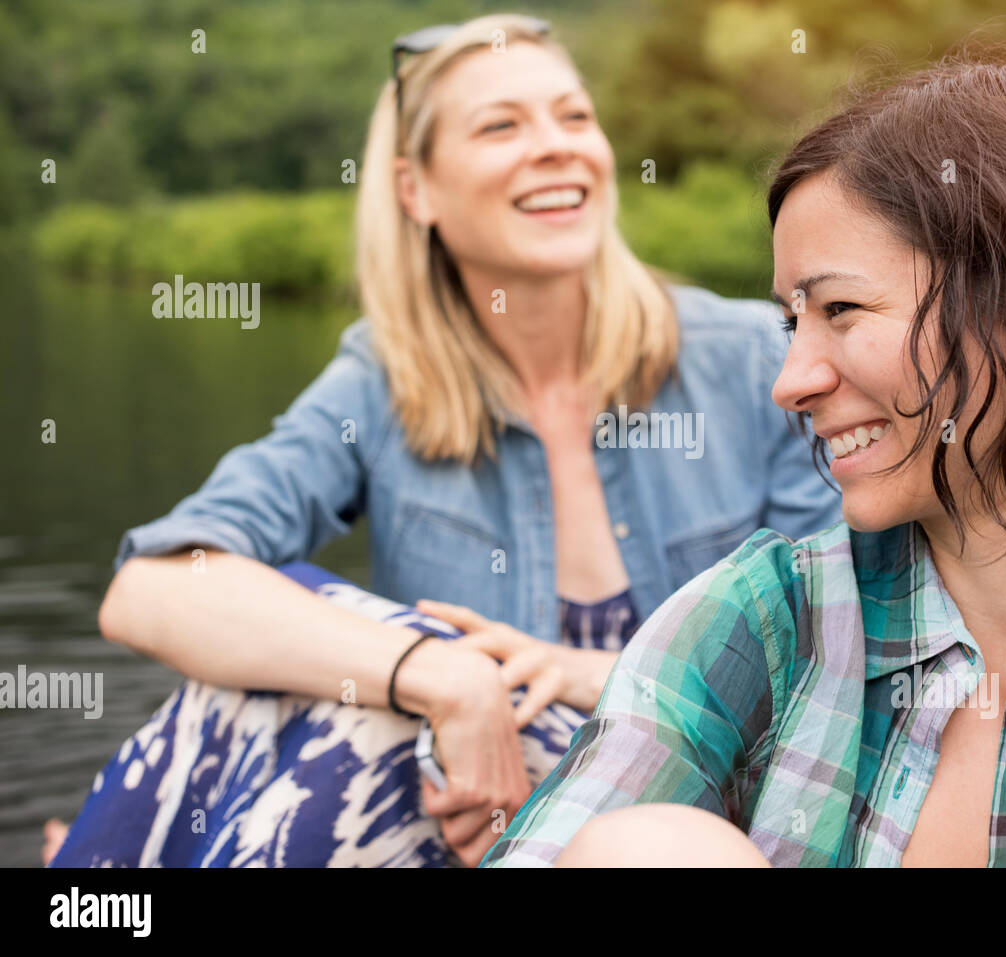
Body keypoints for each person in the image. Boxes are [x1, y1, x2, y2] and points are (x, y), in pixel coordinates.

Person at [43, 14, 840, 868]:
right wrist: (441, 676)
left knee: (354, 708)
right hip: (469, 823)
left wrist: (572, 672)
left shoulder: (755, 357)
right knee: (293, 675)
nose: (555, 147)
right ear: (414, 189)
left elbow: (836, 663)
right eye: (501, 125)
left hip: (695, 821)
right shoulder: (384, 382)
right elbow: (151, 589)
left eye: (574, 117)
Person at [481, 50, 1006, 867]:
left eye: (841, 307)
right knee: (647, 848)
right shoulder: (766, 617)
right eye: (791, 324)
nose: (791, 383)